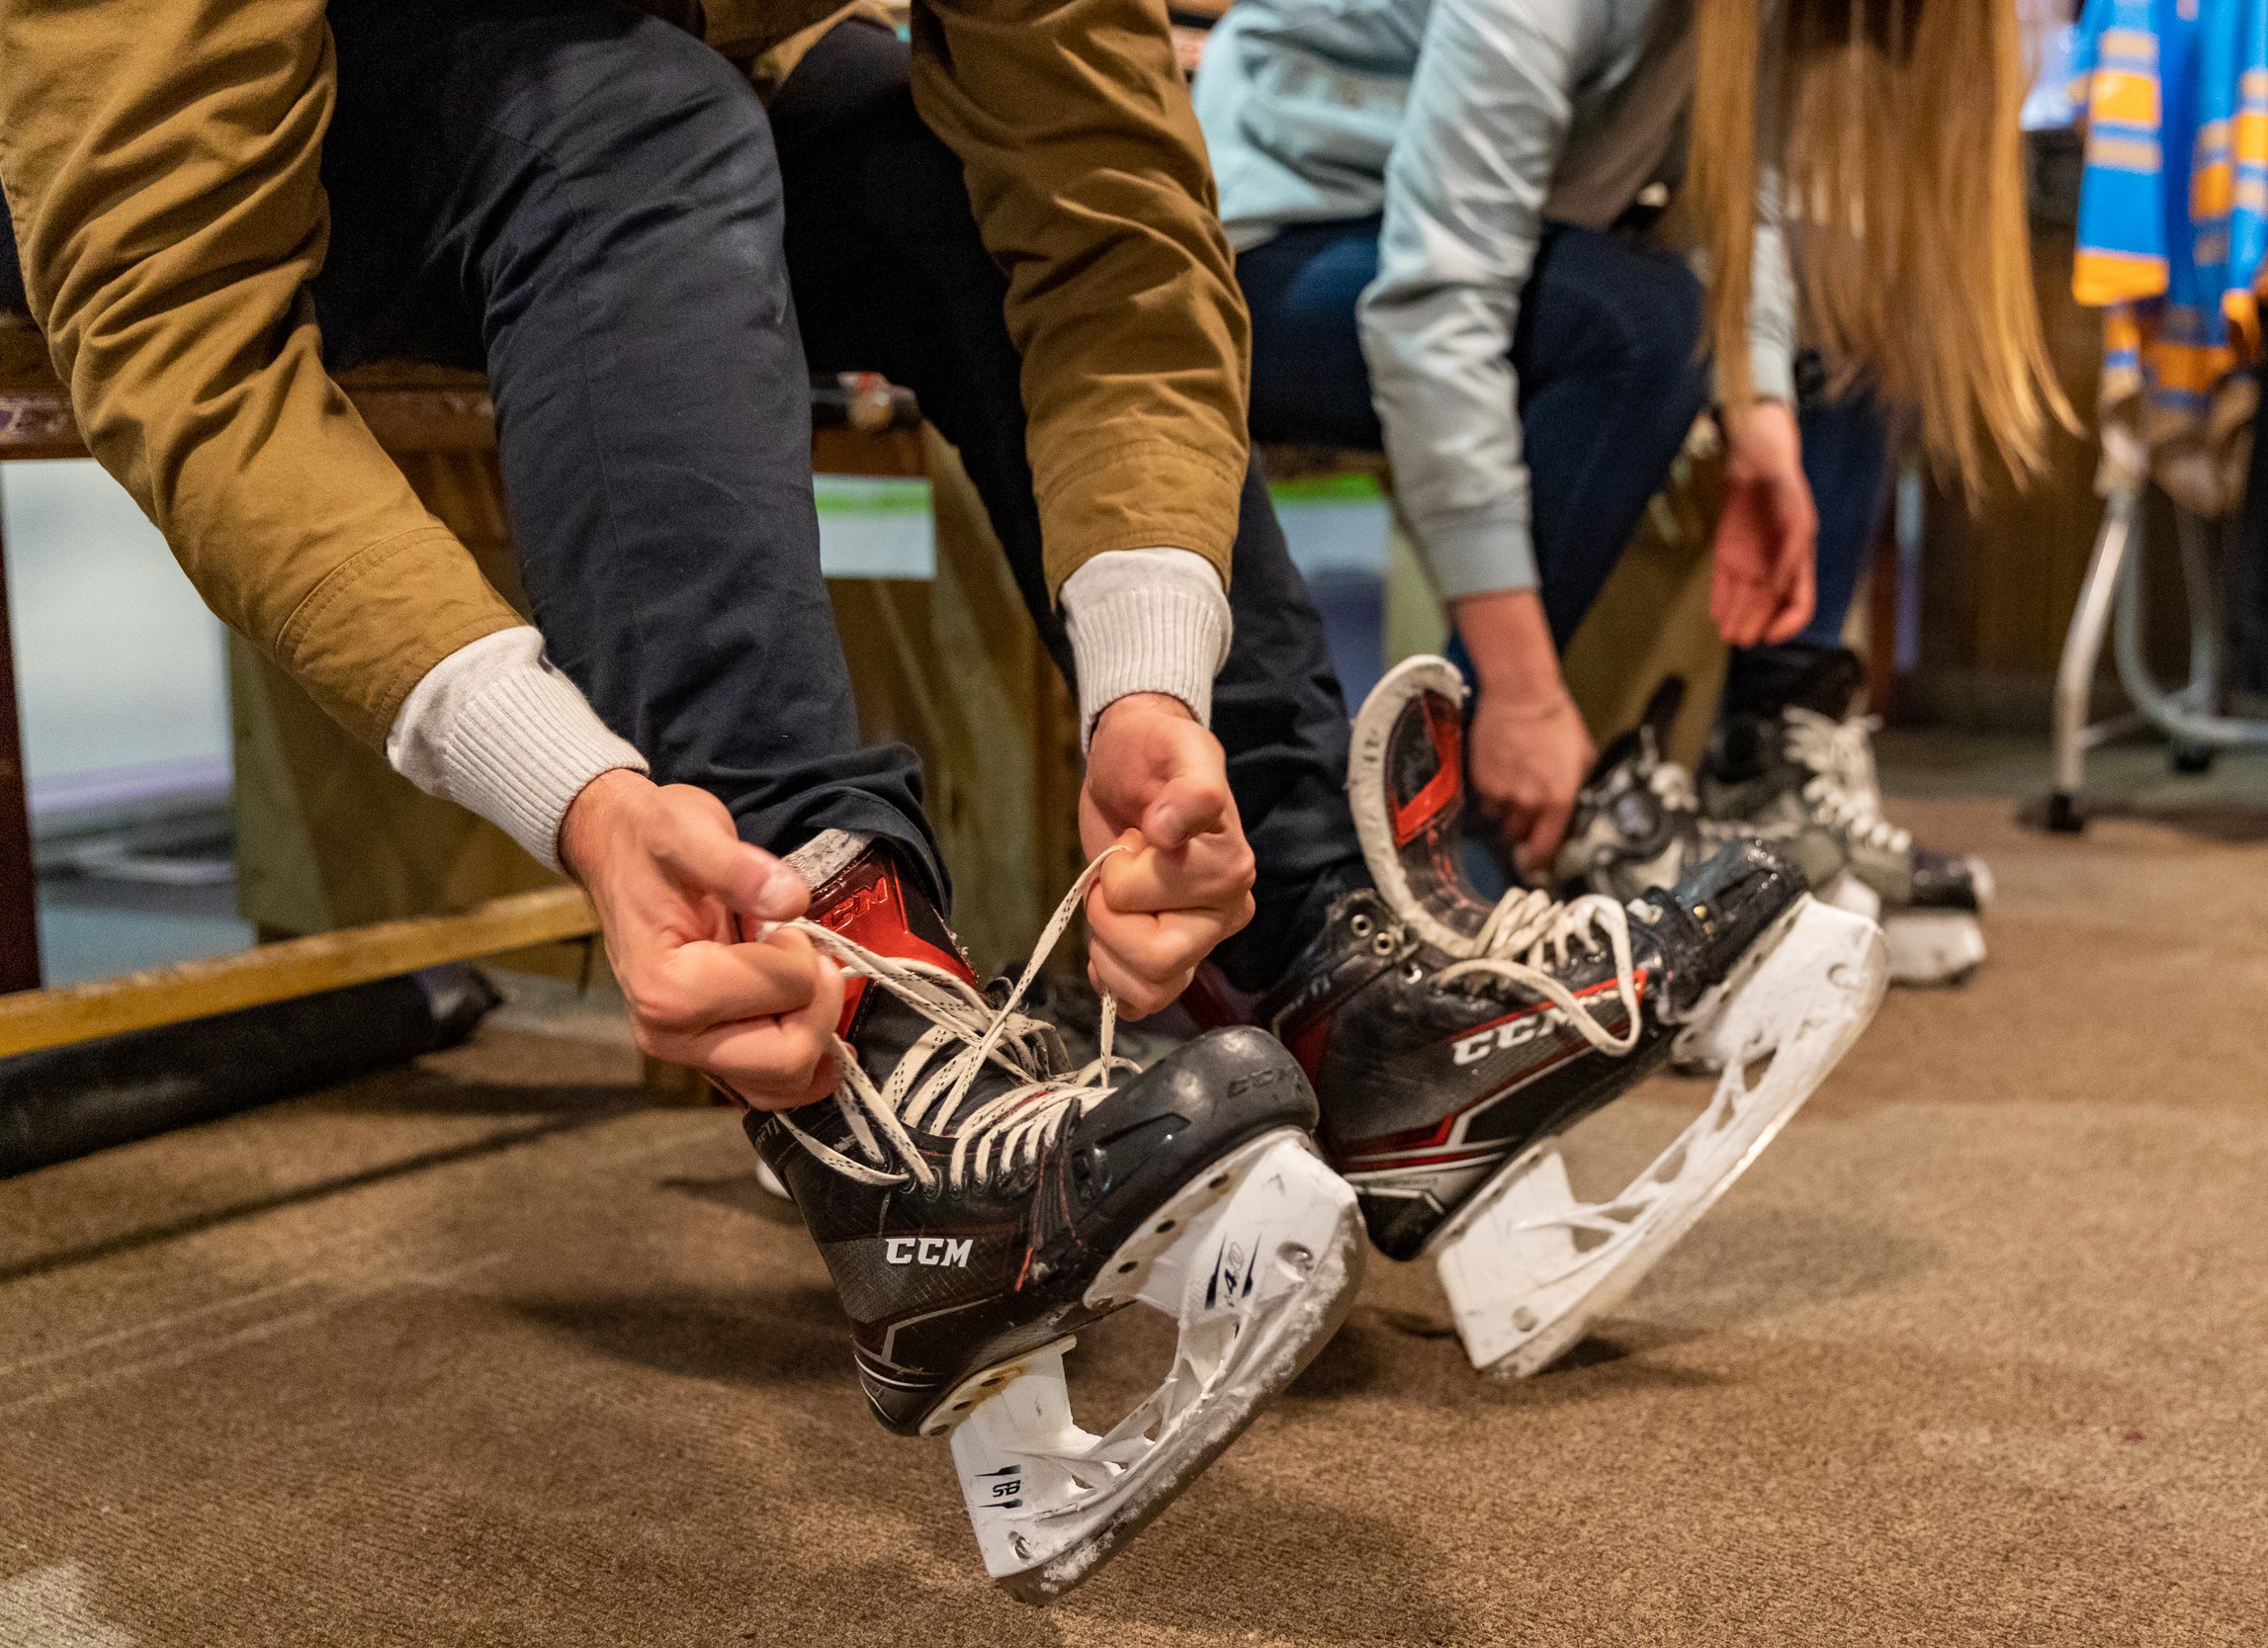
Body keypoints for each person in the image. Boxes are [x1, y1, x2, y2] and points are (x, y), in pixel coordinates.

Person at [0, 0, 1875, 1587]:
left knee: (914, 136)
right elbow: (175, 302)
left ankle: (1322, 948)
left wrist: (1155, 692)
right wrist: (576, 789)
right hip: (158, 153)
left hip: (648, 74)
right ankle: (853, 1027)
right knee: (627, 107)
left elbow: (1107, 208)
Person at [1192, 0, 2068, 984]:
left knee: (1803, 317)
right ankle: (1446, 829)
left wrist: (1762, 422)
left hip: (1444, 228)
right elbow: (1434, 311)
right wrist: (1520, 692)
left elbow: (1734, 182)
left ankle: (1762, 774)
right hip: (1261, 239)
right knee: (1638, 326)